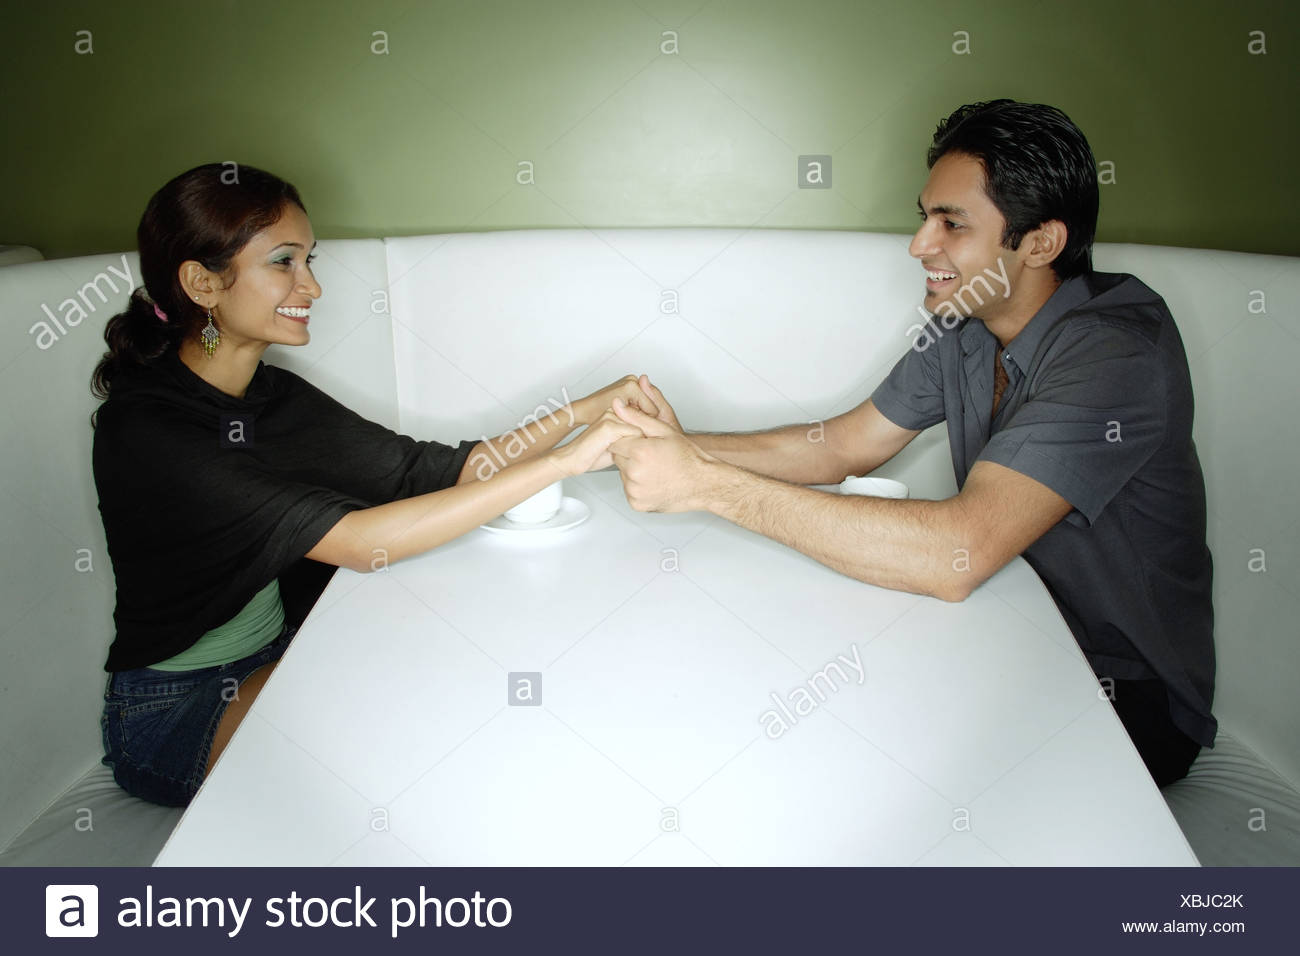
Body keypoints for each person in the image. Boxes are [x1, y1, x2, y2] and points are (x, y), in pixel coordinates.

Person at [609, 100, 1215, 787]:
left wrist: (705, 487)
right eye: (925, 215)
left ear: (1041, 243)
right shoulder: (968, 323)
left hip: (1126, 694)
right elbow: (842, 445)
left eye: (951, 224)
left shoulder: (1116, 355)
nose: (918, 244)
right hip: (1010, 633)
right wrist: (676, 445)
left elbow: (956, 553)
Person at [92, 163, 649, 807]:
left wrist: (586, 411)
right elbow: (358, 542)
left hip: (276, 652)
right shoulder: (149, 429)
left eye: (310, 260)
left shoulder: (269, 394)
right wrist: (565, 464)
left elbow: (439, 471)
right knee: (405, 742)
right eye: (284, 262)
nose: (314, 286)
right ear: (202, 282)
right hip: (176, 713)